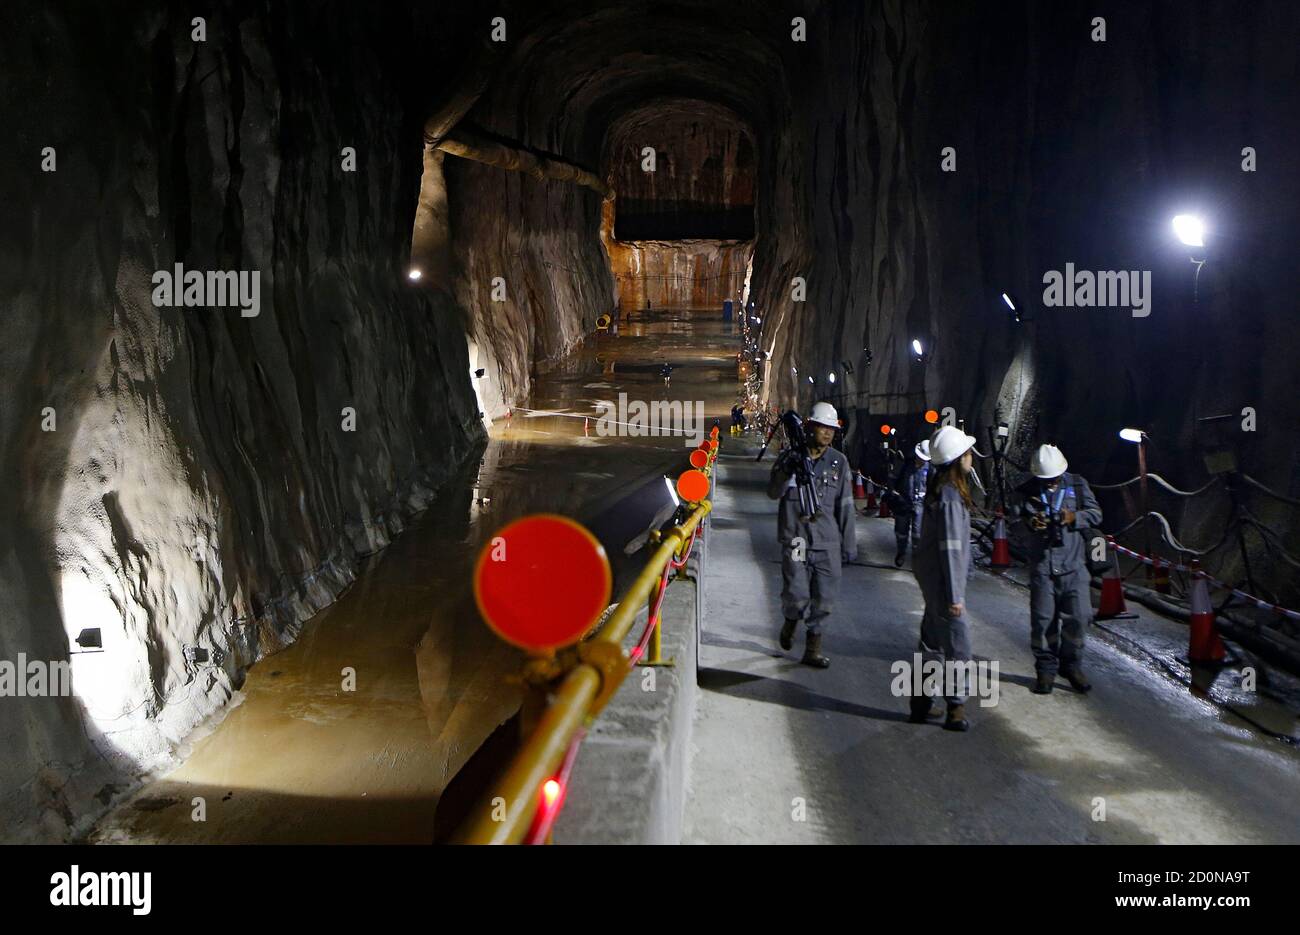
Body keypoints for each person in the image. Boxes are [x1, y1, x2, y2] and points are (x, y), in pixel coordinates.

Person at [767, 401, 857, 667]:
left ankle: (813, 649)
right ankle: (791, 621)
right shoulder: (791, 457)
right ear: (809, 428)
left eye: (831, 429)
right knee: (795, 593)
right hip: (796, 536)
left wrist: (848, 543)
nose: (827, 433)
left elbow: (846, 504)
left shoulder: (839, 462)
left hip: (827, 540)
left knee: (825, 598)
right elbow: (773, 492)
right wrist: (787, 471)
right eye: (822, 428)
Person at [1012, 444, 1103, 694]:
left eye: (1053, 477)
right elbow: (1013, 525)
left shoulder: (1076, 486)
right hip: (1043, 566)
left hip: (1074, 565)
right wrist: (1030, 523)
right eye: (1045, 478)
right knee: (1043, 621)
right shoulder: (1026, 492)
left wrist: (1074, 518)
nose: (1050, 481)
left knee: (1081, 616)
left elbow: (1096, 515)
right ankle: (1045, 669)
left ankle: (1071, 664)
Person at [910, 425, 978, 731]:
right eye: (967, 452)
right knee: (958, 646)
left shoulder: (941, 491)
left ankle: (921, 704)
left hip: (934, 582)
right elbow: (951, 548)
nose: (971, 457)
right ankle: (956, 710)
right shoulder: (951, 497)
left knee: (931, 644)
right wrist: (954, 597)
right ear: (956, 458)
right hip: (944, 586)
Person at [890, 439, 932, 567]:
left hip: (920, 504)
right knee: (901, 532)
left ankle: (916, 559)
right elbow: (893, 479)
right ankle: (901, 552)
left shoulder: (931, 468)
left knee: (918, 534)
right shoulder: (905, 463)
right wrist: (892, 492)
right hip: (903, 502)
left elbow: (933, 486)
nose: (921, 460)